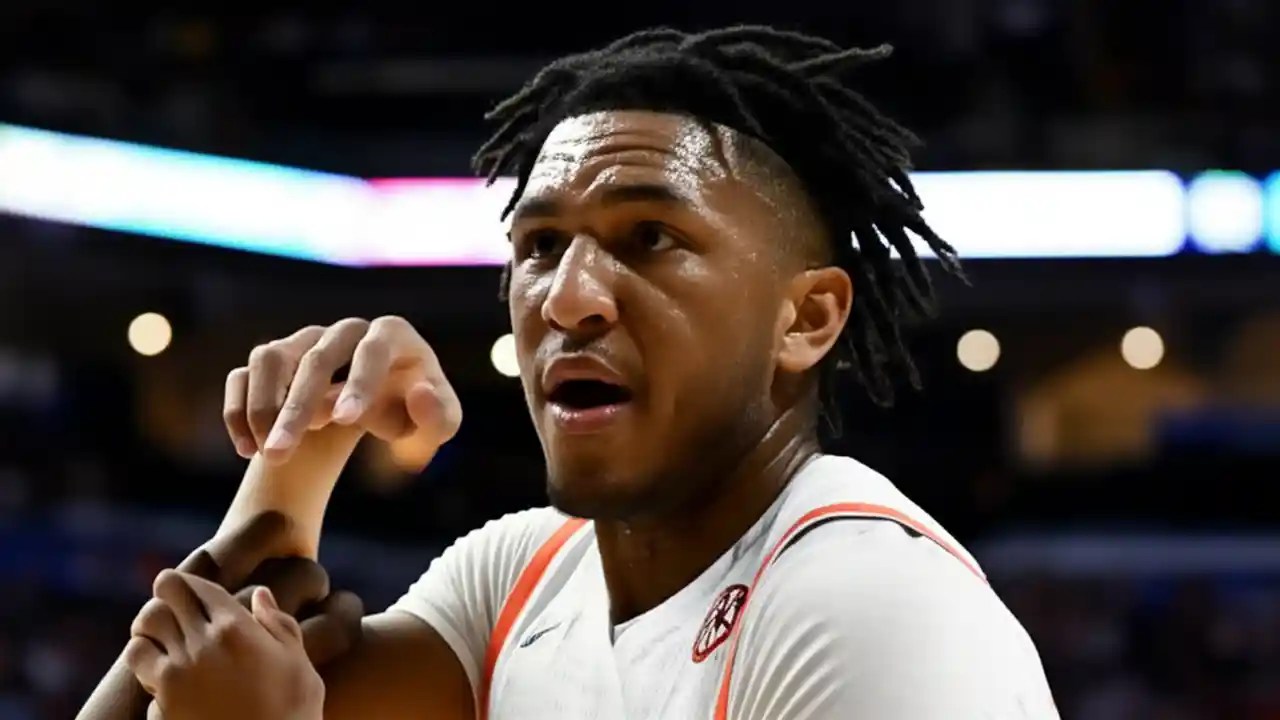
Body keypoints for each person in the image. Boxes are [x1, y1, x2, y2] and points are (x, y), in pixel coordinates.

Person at [80, 25, 1059, 719]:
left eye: (649, 237)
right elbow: (198, 687)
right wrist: (290, 470)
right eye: (540, 245)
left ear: (803, 319)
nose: (568, 297)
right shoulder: (524, 574)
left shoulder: (873, 615)